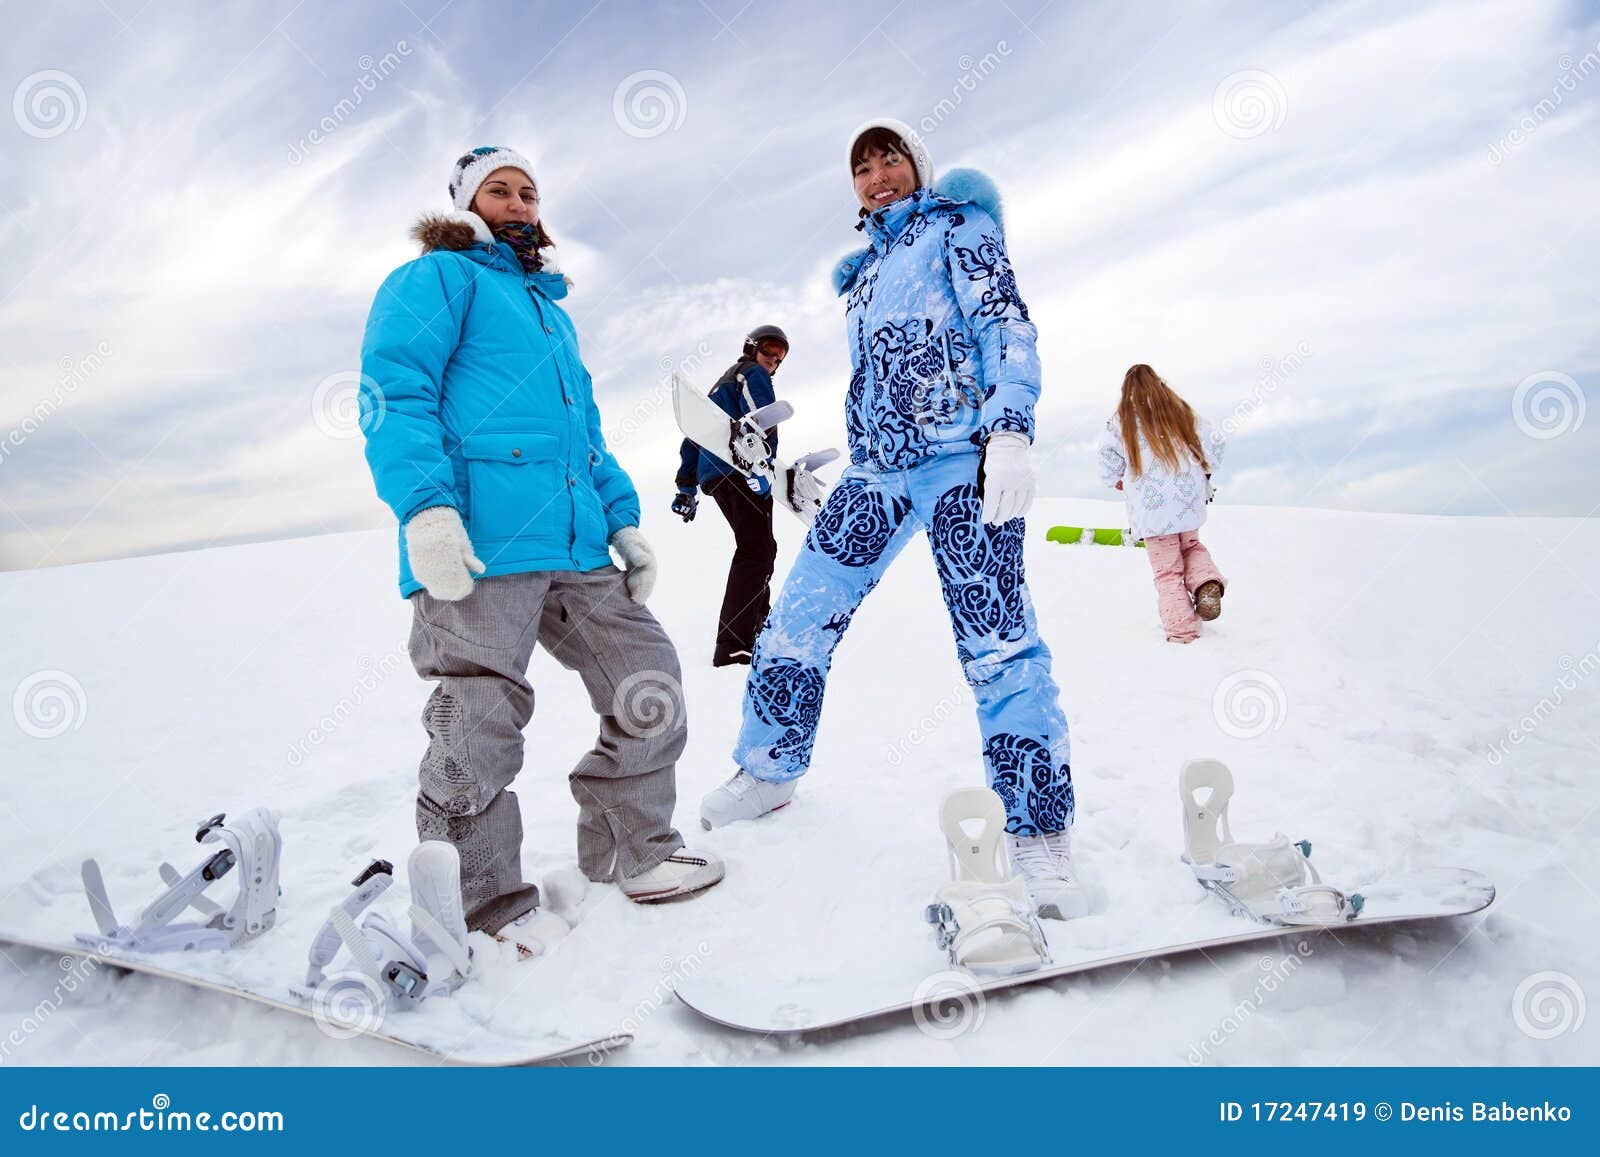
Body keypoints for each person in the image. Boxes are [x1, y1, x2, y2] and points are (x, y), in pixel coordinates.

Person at [698, 120, 1087, 920]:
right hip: (878, 470)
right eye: (863, 167)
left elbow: (1004, 323)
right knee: (797, 615)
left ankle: (1039, 826)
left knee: (997, 638)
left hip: (961, 459)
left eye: (890, 159)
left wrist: (1009, 428)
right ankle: (770, 768)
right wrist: (816, 475)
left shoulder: (958, 225)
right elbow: (874, 379)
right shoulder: (864, 277)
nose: (877, 176)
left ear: (918, 166)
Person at [358, 146, 724, 943]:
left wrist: (620, 519)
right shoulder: (437, 280)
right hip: (481, 543)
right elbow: (394, 393)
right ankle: (480, 906)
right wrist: (425, 510)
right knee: (478, 720)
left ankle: (632, 848)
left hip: (575, 544)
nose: (520, 203)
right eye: (501, 190)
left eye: (529, 192)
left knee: (647, 678)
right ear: (465, 204)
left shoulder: (551, 313)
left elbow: (585, 436)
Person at [672, 326, 789, 666]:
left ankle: (759, 626)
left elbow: (694, 435)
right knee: (756, 550)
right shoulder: (751, 374)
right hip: (740, 471)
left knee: (760, 547)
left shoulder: (717, 388)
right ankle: (736, 642)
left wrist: (686, 486)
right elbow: (760, 421)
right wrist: (761, 467)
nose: (773, 360)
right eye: (769, 349)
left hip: (715, 476)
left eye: (779, 356)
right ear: (751, 348)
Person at [1095, 364, 1228, 644]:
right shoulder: (1179, 409)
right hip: (1187, 500)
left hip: (1152, 509)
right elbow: (1214, 442)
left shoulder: (1121, 421)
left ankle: (1182, 632)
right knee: (1191, 546)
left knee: (1167, 571)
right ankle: (1206, 584)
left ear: (1126, 391)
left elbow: (1108, 462)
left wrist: (1117, 479)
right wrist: (1205, 465)